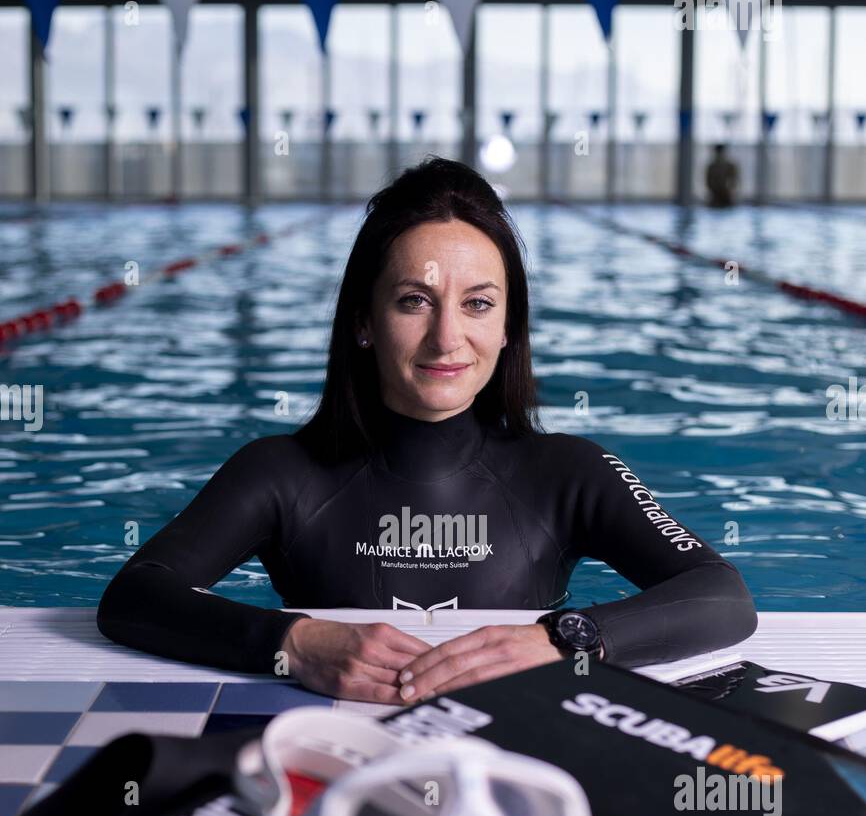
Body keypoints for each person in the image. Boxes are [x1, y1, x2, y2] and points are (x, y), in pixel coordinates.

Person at [97, 157, 757, 705]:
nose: (448, 338)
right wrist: (291, 642)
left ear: (508, 328)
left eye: (478, 304)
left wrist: (560, 639)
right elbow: (135, 595)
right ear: (364, 321)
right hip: (328, 750)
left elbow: (721, 595)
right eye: (414, 300)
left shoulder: (568, 472)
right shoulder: (281, 472)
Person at [705, 143, 739, 208]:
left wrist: (727, 190)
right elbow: (708, 182)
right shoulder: (712, 167)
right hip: (716, 197)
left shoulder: (730, 166)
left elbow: (734, 181)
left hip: (726, 196)